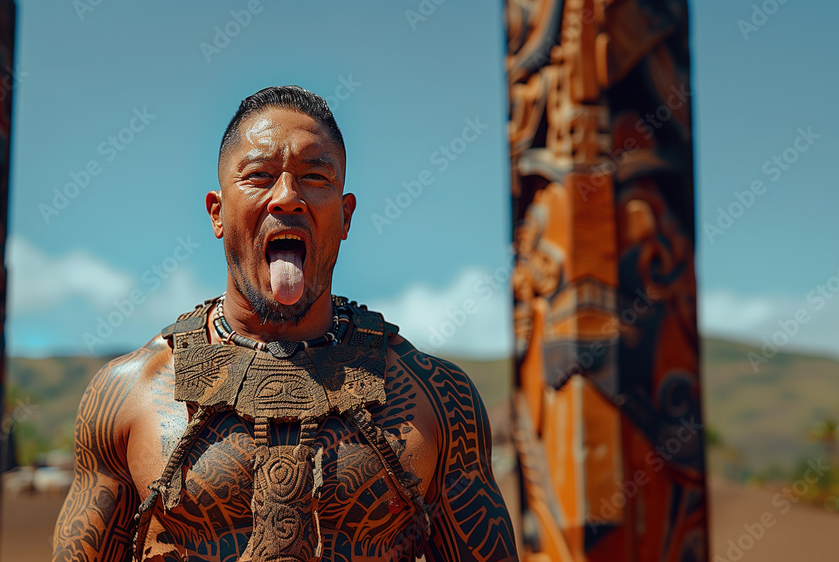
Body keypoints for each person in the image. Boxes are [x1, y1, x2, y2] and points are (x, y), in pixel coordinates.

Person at [53, 86, 517, 562]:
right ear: (217, 212)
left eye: (315, 177)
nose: (288, 197)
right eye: (259, 176)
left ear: (345, 215)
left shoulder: (436, 398)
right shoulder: (126, 395)